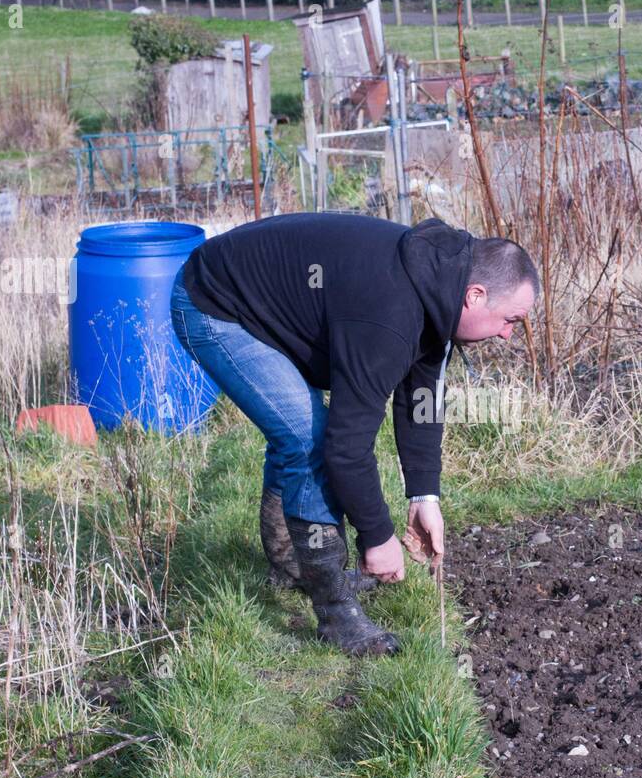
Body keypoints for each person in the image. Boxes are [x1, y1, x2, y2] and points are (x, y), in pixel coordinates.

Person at [171, 213, 538, 657]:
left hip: (263, 298)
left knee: (298, 429)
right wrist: (377, 538)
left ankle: (292, 566)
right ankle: (335, 614)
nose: (507, 334)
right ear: (475, 296)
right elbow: (345, 448)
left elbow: (420, 399)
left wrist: (425, 497)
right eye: (510, 319)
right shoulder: (389, 314)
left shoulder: (438, 291)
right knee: (307, 438)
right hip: (214, 302)